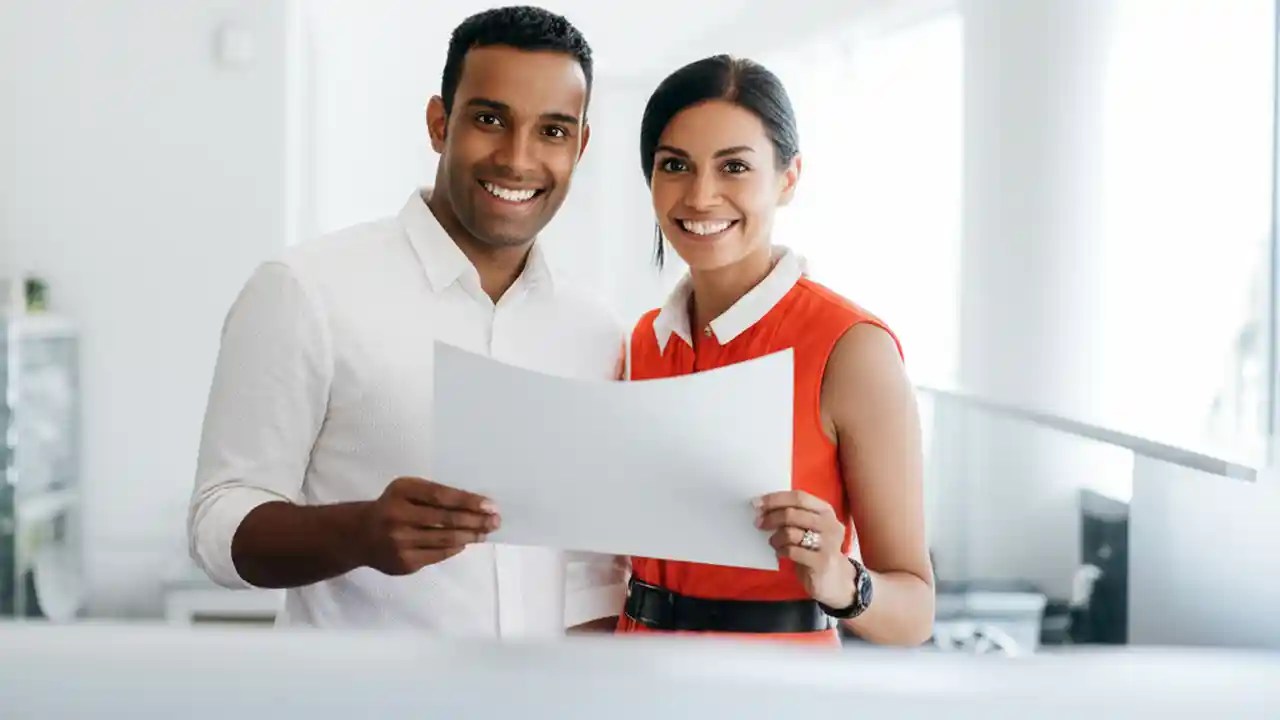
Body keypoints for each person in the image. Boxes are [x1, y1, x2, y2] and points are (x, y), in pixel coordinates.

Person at [188, 6, 625, 635]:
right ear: (439, 123)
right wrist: (358, 532)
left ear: (580, 145)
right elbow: (216, 523)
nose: (518, 158)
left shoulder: (598, 333)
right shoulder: (306, 290)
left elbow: (591, 570)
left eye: (552, 131)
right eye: (489, 119)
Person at [615, 55, 935, 646]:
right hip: (635, 679)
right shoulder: (639, 344)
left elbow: (915, 612)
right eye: (674, 166)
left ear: (788, 179)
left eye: (734, 166)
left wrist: (842, 579)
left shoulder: (852, 349)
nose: (701, 195)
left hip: (778, 687)